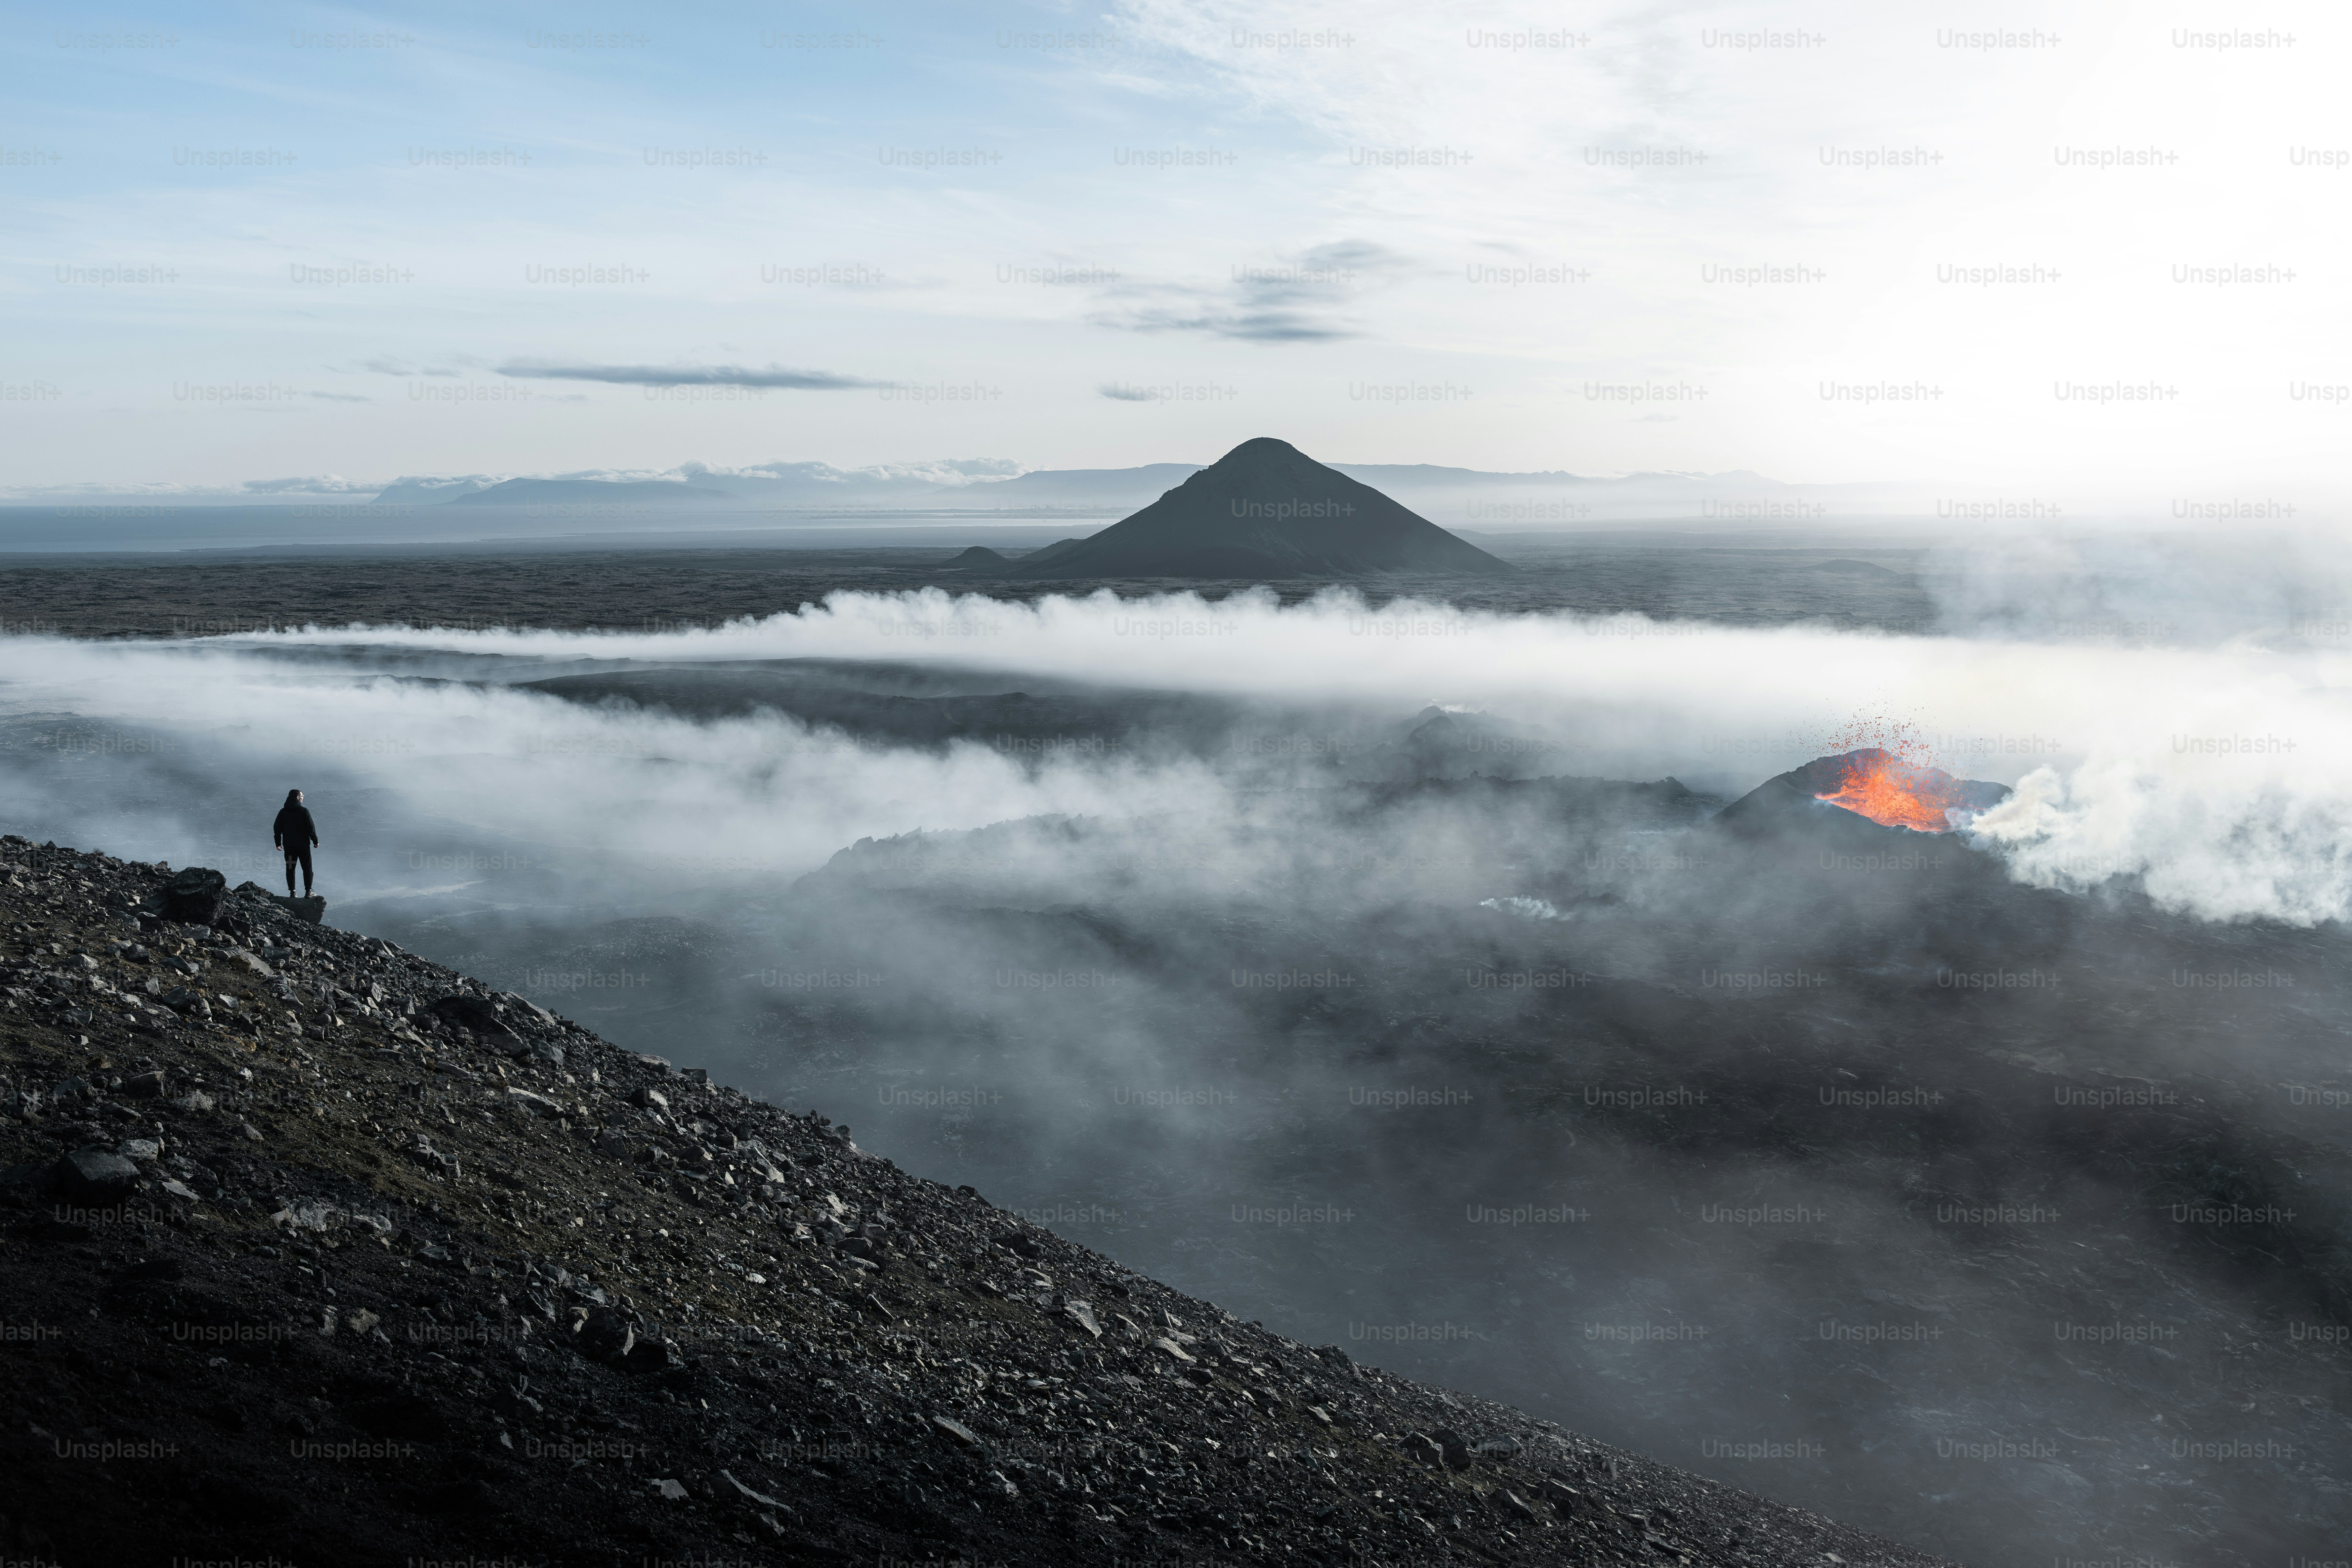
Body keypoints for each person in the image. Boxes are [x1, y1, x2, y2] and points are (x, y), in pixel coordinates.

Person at [273, 788, 319, 898]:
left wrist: (278, 843)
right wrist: (315, 840)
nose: (303, 799)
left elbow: (277, 828)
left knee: (290, 869)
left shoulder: (283, 812)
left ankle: (293, 892)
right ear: (298, 798)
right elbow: (311, 828)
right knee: (307, 869)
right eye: (302, 797)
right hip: (304, 846)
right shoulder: (304, 811)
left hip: (289, 847)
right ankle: (309, 892)